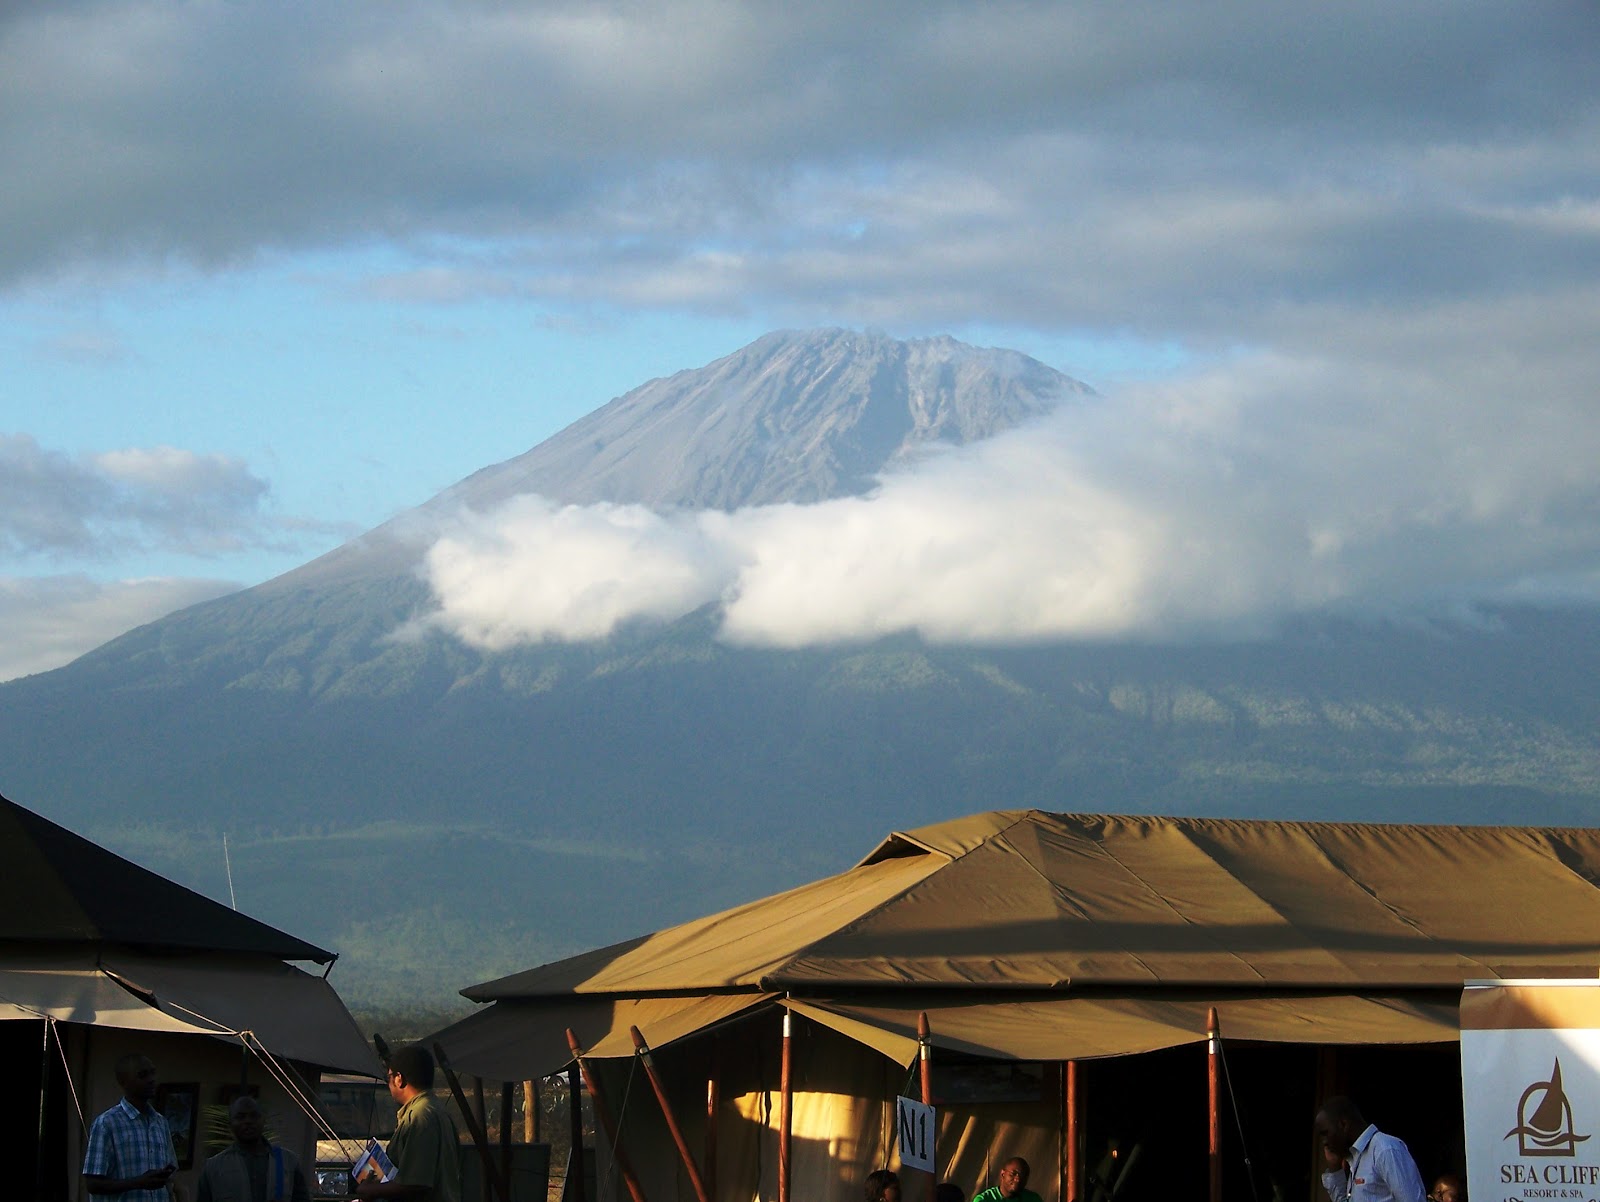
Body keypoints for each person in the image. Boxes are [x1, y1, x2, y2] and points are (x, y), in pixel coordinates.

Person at [354, 1043, 461, 1202]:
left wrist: (369, 1189)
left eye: (388, 1077)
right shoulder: (437, 1110)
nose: (389, 1083)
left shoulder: (419, 1117)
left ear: (399, 1079)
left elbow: (415, 1184)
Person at [82, 1053, 179, 1200]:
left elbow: (172, 1175)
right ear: (124, 1082)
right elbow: (93, 1184)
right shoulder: (106, 1124)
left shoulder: (160, 1123)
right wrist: (138, 1182)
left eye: (153, 1073)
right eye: (143, 1075)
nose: (151, 1080)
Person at [196, 1095, 311, 1202]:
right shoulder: (214, 1167)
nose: (248, 1121)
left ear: (263, 1120)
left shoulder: (288, 1162)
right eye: (240, 1117)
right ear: (230, 1124)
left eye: (254, 1116)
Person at [1315, 1096, 1426, 1202]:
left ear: (1343, 1124)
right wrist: (1335, 1169)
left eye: (1325, 1133)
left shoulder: (1385, 1149)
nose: (1324, 1142)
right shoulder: (1354, 1157)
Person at [973, 1157, 1043, 1202]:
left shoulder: (1033, 1199)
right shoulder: (984, 1200)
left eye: (1023, 1176)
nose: (1017, 1179)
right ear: (1003, 1174)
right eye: (1013, 1174)